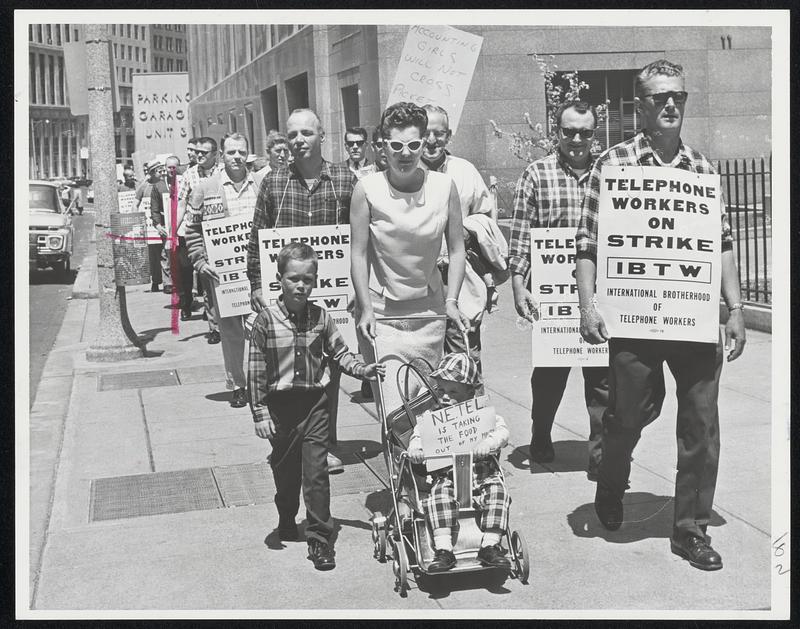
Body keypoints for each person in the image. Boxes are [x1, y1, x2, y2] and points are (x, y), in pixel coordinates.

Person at [575, 59, 746, 571]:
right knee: (630, 415)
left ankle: (689, 528)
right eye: (658, 98)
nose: (670, 104)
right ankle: (611, 482)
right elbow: (587, 245)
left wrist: (735, 309)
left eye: (678, 96)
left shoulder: (703, 170)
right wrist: (587, 304)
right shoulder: (614, 164)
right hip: (635, 320)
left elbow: (722, 246)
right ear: (640, 106)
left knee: (701, 423)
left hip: (693, 321)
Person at [248, 242, 384, 570]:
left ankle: (320, 538)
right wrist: (260, 412)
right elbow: (255, 370)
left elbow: (340, 352)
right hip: (280, 409)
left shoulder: (321, 318)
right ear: (279, 279)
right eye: (294, 278)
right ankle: (285, 514)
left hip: (315, 405)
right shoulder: (265, 322)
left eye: (307, 279)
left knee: (317, 472)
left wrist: (363, 369)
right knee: (286, 474)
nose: (300, 285)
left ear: (315, 281)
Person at [247, 108, 356, 475]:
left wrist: (360, 287)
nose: (298, 141)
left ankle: (326, 444)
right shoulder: (273, 183)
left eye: (306, 133)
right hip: (288, 297)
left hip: (332, 296)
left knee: (330, 371)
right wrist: (257, 285)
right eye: (292, 135)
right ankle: (289, 442)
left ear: (322, 135)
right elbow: (256, 237)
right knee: (287, 369)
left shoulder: (344, 179)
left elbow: (361, 238)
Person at [508, 100, 609, 477]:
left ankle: (600, 453)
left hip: (600, 294)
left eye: (585, 132)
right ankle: (541, 434)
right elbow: (520, 237)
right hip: (552, 296)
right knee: (550, 375)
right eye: (569, 131)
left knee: (601, 379)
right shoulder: (537, 174)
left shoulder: (609, 173)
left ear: (594, 134)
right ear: (557, 132)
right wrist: (518, 286)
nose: (577, 139)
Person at [350, 101, 469, 417]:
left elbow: (457, 249)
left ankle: (422, 466)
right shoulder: (367, 189)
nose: (405, 153)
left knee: (426, 404)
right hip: (381, 315)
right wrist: (363, 308)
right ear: (383, 146)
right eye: (397, 145)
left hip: (429, 312)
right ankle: (399, 465)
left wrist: (453, 300)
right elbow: (358, 253)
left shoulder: (444, 187)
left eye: (414, 144)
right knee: (394, 410)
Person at [407, 352, 511, 572]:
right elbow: (418, 435)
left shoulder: (481, 414)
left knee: (498, 492)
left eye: (453, 391)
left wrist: (490, 442)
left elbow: (502, 431)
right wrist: (416, 448)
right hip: (447, 474)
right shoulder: (432, 417)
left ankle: (490, 545)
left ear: (470, 392)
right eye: (442, 390)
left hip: (481, 472)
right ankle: (444, 550)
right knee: (438, 497)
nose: (445, 396)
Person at [185, 133, 260, 409]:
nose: (237, 157)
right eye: (231, 153)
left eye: (241, 152)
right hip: (223, 276)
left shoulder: (262, 184)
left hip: (257, 273)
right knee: (231, 332)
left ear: (248, 153)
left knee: (261, 328)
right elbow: (191, 230)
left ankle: (260, 383)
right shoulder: (205, 189)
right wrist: (201, 261)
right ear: (222, 156)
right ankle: (238, 385)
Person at [420, 104, 496, 373]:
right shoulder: (403, 173)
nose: (431, 140)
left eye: (439, 133)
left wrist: (468, 230)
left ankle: (470, 414)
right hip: (418, 280)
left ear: (449, 135)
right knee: (422, 358)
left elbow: (487, 217)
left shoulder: (465, 171)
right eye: (426, 132)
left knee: (465, 357)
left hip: (460, 276)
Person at [179, 136, 221, 344]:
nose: (200, 156)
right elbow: (181, 204)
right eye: (197, 152)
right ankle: (214, 327)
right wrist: (172, 232)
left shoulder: (223, 173)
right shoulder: (189, 175)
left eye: (205, 152)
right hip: (201, 234)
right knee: (208, 282)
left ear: (215, 154)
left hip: (224, 234)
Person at [151, 155, 193, 320]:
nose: (172, 170)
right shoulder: (159, 186)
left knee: (188, 268)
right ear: (165, 168)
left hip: (185, 231)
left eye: (175, 167)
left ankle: (189, 298)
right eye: (169, 167)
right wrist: (157, 224)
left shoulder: (185, 182)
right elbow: (155, 208)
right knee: (177, 268)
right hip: (169, 233)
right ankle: (184, 302)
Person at [136, 159, 166, 293]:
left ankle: (167, 282)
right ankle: (156, 281)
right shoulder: (144, 187)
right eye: (159, 171)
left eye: (163, 170)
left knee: (166, 254)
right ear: (153, 173)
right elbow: (135, 204)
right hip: (150, 228)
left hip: (163, 225)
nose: (162, 173)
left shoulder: (165, 184)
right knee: (154, 256)